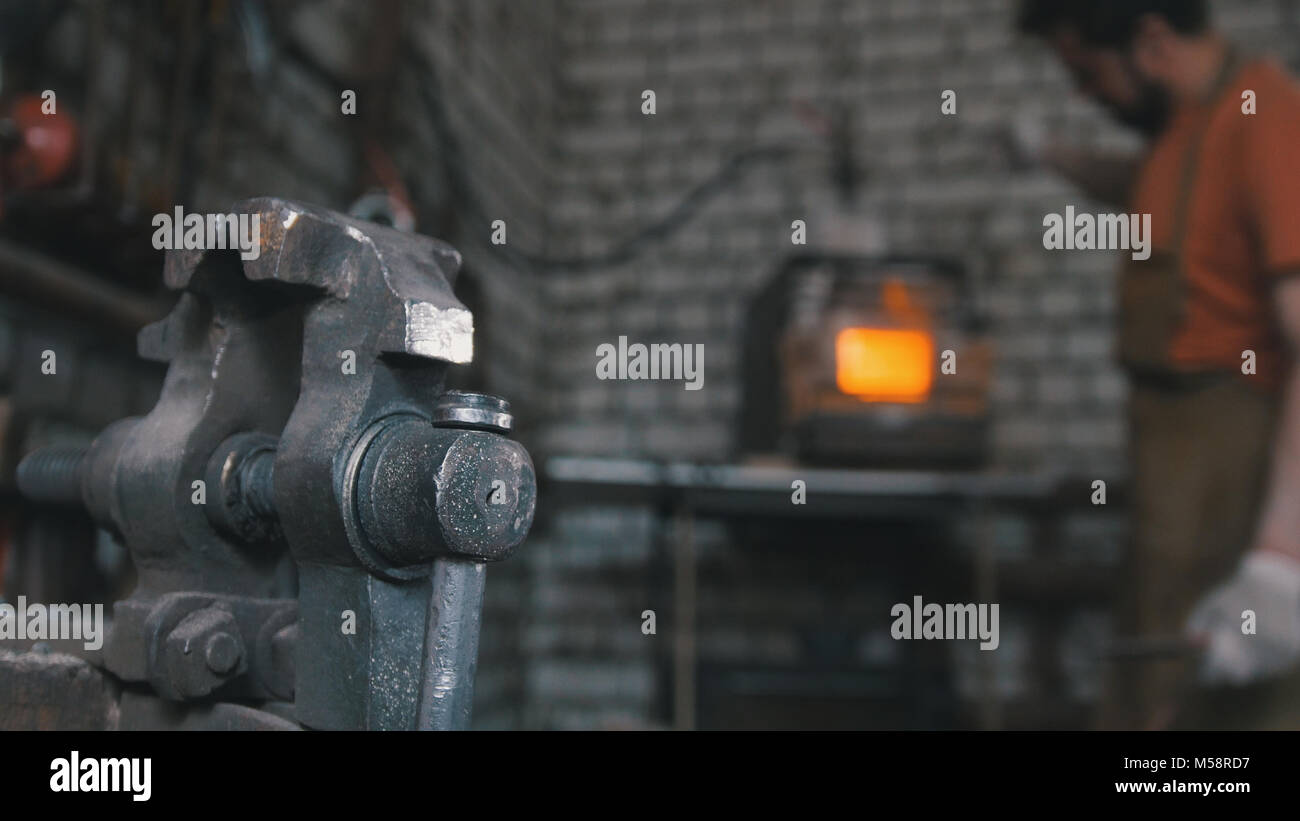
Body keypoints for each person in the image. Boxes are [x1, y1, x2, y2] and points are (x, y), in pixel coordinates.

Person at [1014, 0, 1300, 729]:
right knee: (1155, 691)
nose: (1086, 95)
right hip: (1171, 457)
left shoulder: (1265, 117)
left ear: (1151, 40)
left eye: (1088, 73)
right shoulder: (1184, 130)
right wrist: (1050, 153)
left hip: (1234, 457)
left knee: (1218, 712)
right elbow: (1140, 189)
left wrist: (1280, 555)